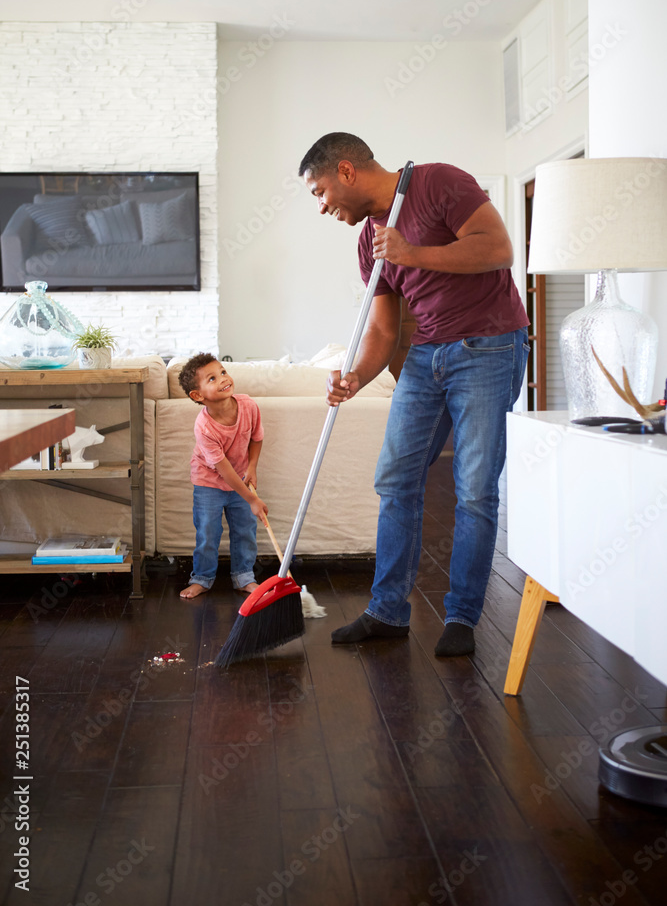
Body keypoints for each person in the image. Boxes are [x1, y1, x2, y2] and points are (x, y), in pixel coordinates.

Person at [298, 133, 530, 656]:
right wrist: (355, 376)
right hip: (427, 357)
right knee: (395, 478)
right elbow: (382, 331)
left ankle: (463, 618)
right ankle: (387, 611)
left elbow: (498, 249)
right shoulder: (367, 243)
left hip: (489, 347)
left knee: (474, 488)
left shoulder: (439, 181)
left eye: (319, 191)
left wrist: (412, 252)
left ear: (347, 171)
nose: (321, 206)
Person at [177, 353, 268, 600]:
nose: (223, 379)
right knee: (208, 531)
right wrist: (251, 499)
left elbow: (257, 438)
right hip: (209, 483)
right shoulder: (204, 427)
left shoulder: (248, 406)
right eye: (212, 378)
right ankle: (202, 579)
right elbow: (223, 468)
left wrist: (253, 467)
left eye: (223, 372)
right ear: (197, 395)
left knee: (245, 530)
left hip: (240, 480)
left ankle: (244, 577)